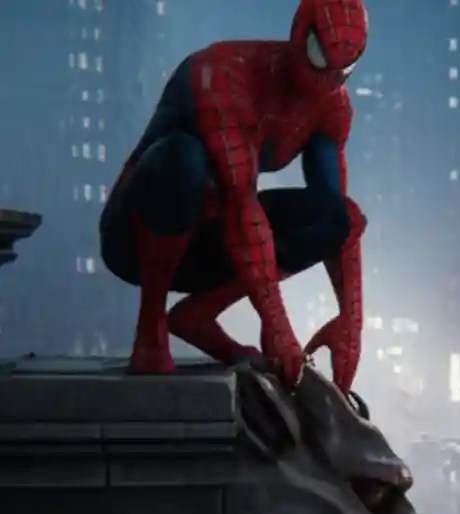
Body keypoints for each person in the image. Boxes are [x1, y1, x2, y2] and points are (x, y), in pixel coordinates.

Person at [100, 0, 370, 390]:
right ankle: (150, 326)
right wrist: (276, 324)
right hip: (136, 236)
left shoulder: (332, 106)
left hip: (216, 239)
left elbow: (336, 217)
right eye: (318, 57)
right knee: (183, 159)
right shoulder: (223, 72)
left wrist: (351, 322)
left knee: (339, 217)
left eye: (342, 68)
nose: (325, 80)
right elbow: (240, 202)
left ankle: (198, 316)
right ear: (301, 38)